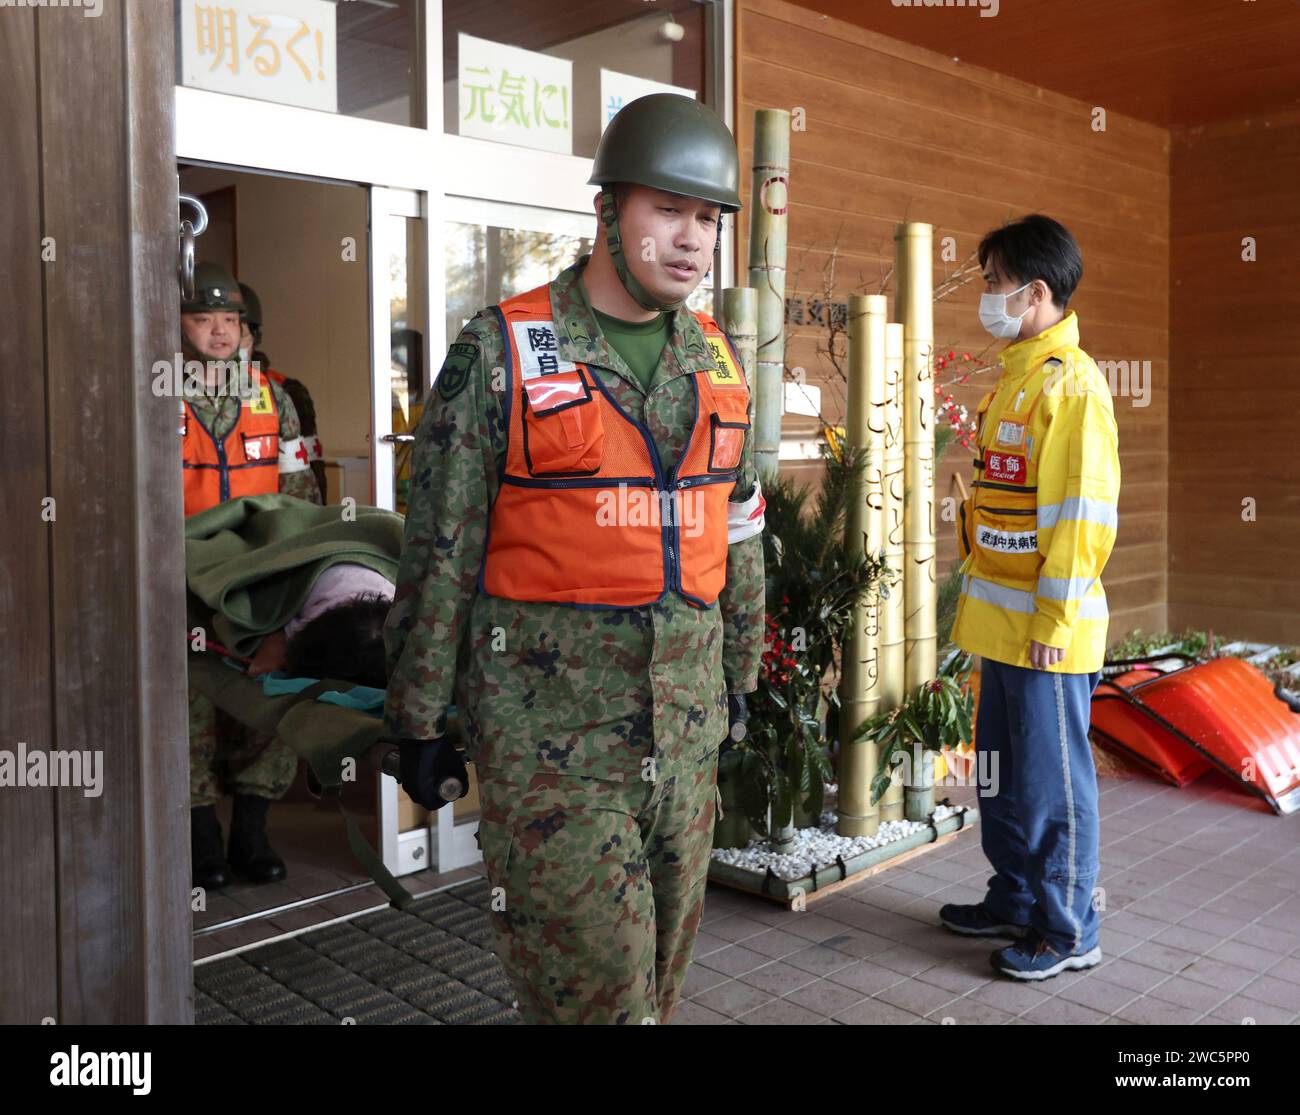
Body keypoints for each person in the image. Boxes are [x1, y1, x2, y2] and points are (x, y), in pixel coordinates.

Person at [383, 93, 766, 1024]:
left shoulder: (716, 358)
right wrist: (419, 714)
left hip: (684, 743)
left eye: (708, 219)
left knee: (657, 996)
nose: (691, 240)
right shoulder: (502, 350)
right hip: (552, 753)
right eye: (667, 211)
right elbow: (441, 548)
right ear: (607, 214)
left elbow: (741, 529)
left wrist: (743, 673)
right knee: (594, 1004)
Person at [942, 214, 1121, 981]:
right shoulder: (1018, 373)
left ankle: (1068, 926)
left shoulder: (1073, 385)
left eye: (993, 282)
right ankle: (1015, 893)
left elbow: (1082, 515)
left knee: (1052, 787)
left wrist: (1053, 617)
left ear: (1035, 291)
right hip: (1000, 621)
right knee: (998, 774)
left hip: (1048, 631)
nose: (986, 295)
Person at [181, 261, 321, 890]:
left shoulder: (274, 397)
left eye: (229, 319)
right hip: (179, 580)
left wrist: (302, 572)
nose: (218, 332)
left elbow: (300, 494)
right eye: (203, 318)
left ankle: (251, 833)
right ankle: (202, 840)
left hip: (257, 578)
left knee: (271, 699)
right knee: (186, 710)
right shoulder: (154, 394)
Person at [235, 280, 329, 502]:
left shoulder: (286, 392)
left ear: (255, 337)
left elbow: (309, 475)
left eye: (239, 331)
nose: (224, 337)